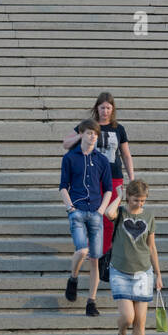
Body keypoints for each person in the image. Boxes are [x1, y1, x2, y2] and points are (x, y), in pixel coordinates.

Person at [62, 94, 134, 258]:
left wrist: (132, 178)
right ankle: (88, 248)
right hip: (93, 176)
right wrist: (81, 135)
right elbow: (65, 143)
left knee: (109, 215)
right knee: (92, 211)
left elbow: (126, 155)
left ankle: (104, 251)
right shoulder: (89, 126)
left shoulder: (119, 129)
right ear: (97, 108)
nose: (105, 111)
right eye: (102, 107)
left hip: (114, 176)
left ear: (113, 109)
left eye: (109, 108)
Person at [105, 179, 161, 335]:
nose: (140, 204)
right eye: (136, 200)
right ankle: (121, 334)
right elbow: (107, 213)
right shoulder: (120, 213)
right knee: (128, 317)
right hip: (120, 271)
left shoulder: (149, 216)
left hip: (143, 273)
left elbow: (151, 247)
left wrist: (158, 274)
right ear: (129, 197)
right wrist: (119, 196)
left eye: (143, 201)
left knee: (140, 323)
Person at [60, 120, 113, 317]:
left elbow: (108, 189)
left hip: (96, 212)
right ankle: (73, 278)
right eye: (90, 133)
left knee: (95, 259)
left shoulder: (102, 160)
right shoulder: (70, 158)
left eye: (95, 134)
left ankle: (91, 301)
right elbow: (63, 186)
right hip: (78, 210)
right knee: (82, 250)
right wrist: (70, 208)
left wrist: (101, 210)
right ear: (81, 134)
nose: (93, 137)